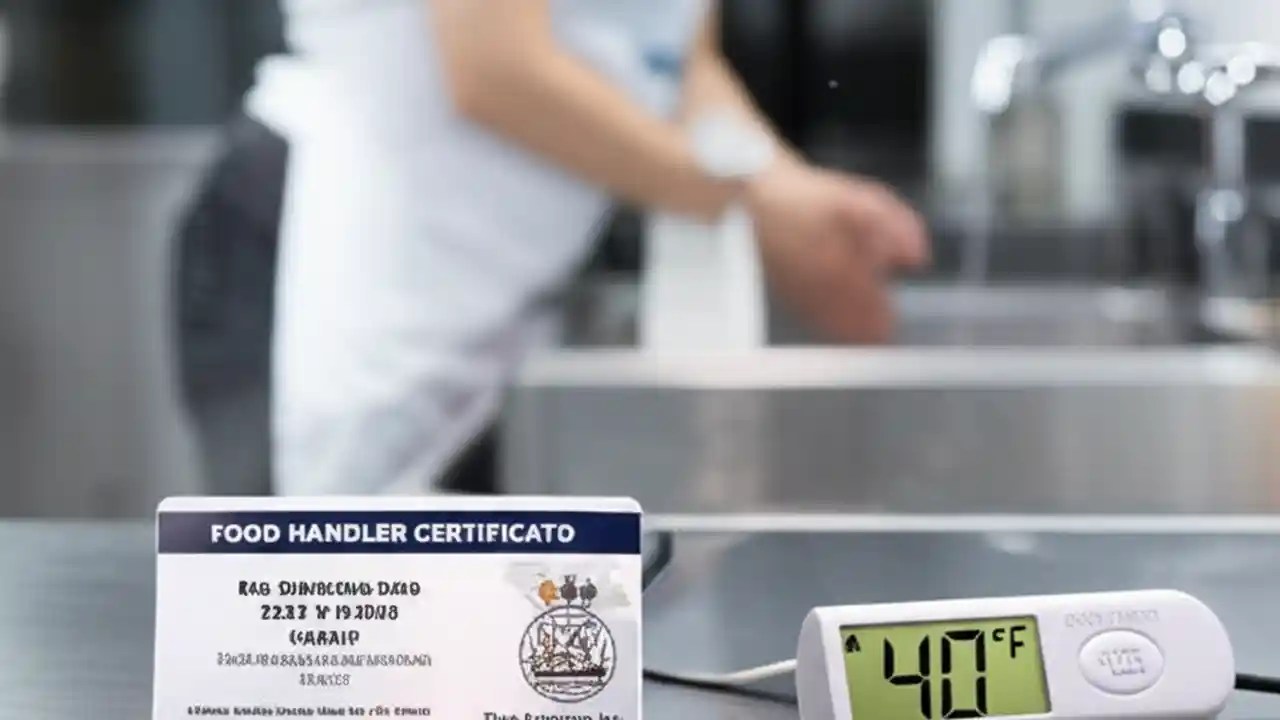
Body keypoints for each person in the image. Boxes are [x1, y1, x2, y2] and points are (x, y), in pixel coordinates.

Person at [174, 0, 930, 498]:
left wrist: (790, 192)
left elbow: (671, 57)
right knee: (309, 639)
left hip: (491, 297)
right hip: (333, 251)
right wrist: (750, 200)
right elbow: (496, 70)